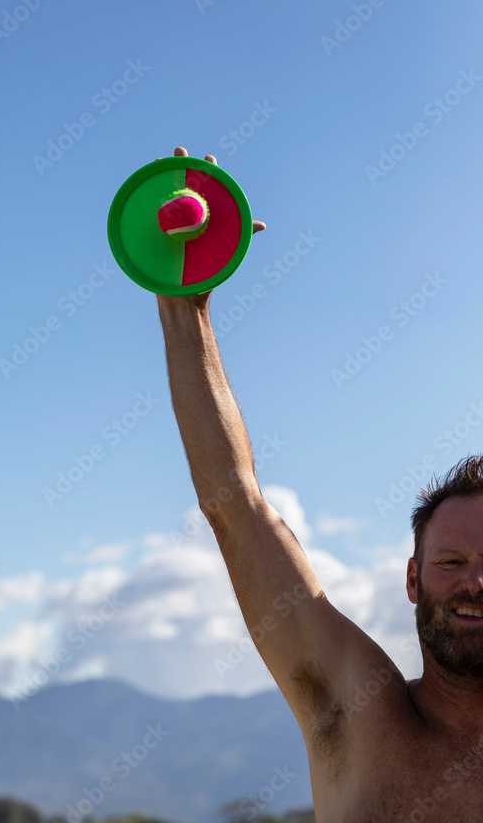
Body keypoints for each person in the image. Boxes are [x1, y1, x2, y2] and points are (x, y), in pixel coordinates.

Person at [156, 148, 483, 822]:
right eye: (451, 562)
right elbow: (235, 506)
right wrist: (184, 308)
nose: (473, 582)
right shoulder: (354, 714)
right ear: (412, 582)